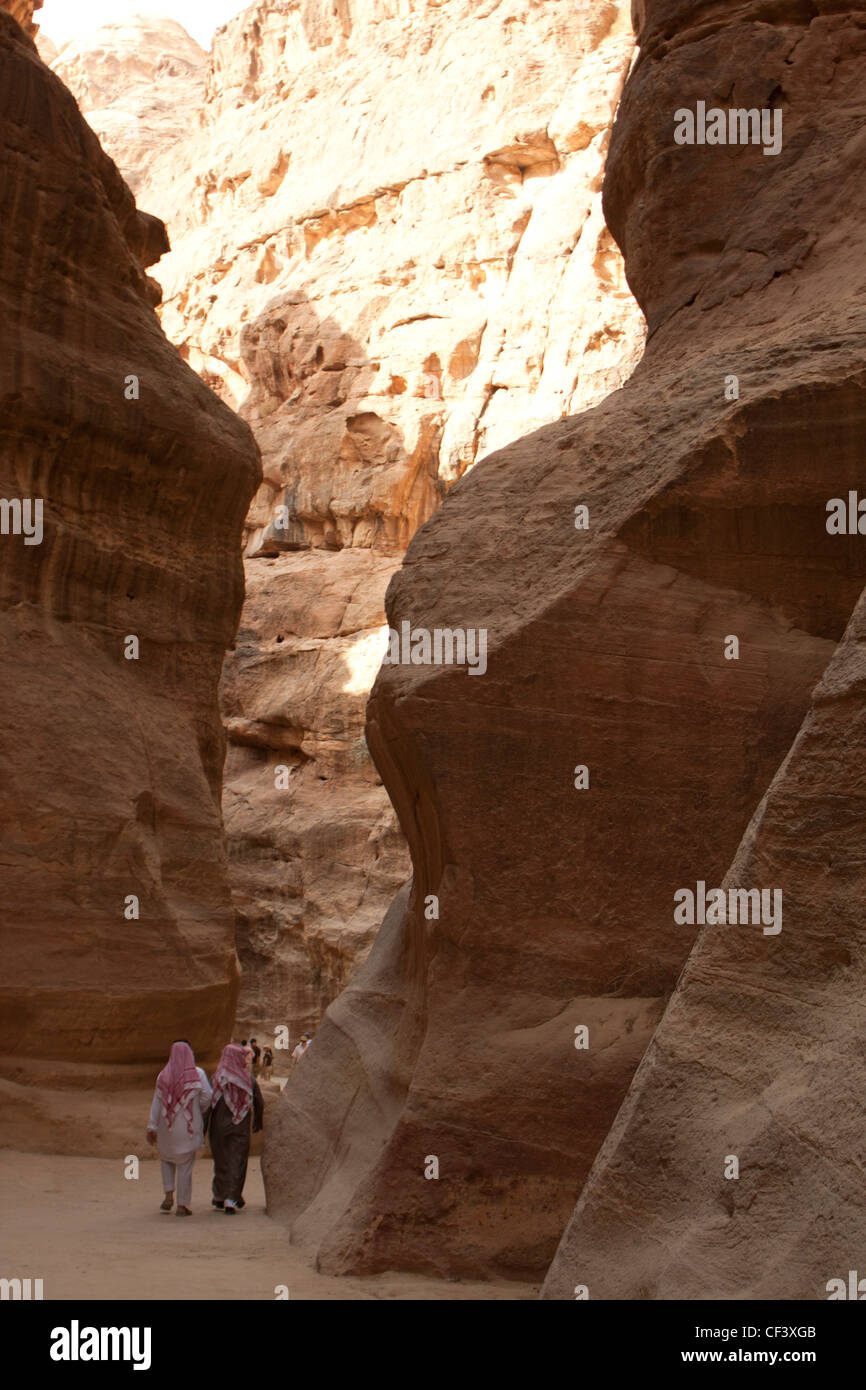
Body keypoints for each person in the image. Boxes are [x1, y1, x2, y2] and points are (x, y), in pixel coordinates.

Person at [146, 1040, 211, 1217]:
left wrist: (152, 1125)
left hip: (166, 1126)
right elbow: (207, 1097)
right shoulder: (197, 1074)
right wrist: (196, 1109)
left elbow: (157, 1102)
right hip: (188, 1126)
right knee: (185, 1165)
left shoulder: (163, 1075)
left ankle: (168, 1195)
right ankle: (182, 1205)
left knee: (166, 1159)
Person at [209, 1043, 263, 1214]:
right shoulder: (248, 1079)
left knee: (221, 1161)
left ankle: (219, 1196)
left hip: (218, 1128)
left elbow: (206, 1105)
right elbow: (259, 1102)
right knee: (237, 1161)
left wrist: (202, 1126)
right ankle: (232, 1199)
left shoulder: (215, 1079)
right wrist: (258, 1121)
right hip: (240, 1127)